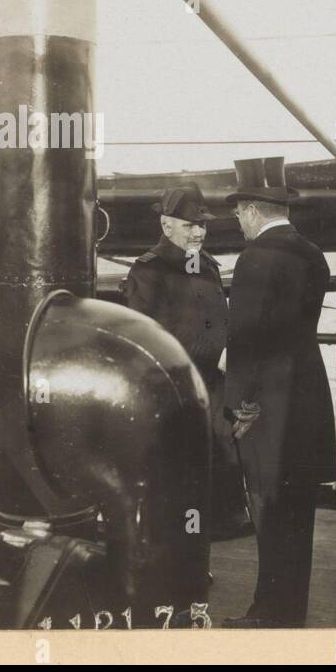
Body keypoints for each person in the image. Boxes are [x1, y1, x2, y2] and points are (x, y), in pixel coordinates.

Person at [221, 158, 336, 628]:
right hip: (306, 393)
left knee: (267, 506)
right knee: (297, 510)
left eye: (238, 213)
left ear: (251, 210)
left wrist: (235, 407)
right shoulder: (314, 254)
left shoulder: (254, 258)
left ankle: (266, 612)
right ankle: (289, 610)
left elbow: (247, 339)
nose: (237, 221)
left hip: (266, 404)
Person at [120, 183, 250, 542]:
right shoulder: (149, 271)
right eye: (190, 225)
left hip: (214, 383)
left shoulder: (205, 265)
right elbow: (150, 337)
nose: (199, 232)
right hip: (175, 386)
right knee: (182, 466)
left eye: (203, 225)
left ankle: (220, 524)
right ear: (166, 227)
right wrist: (214, 354)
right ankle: (186, 540)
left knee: (221, 452)